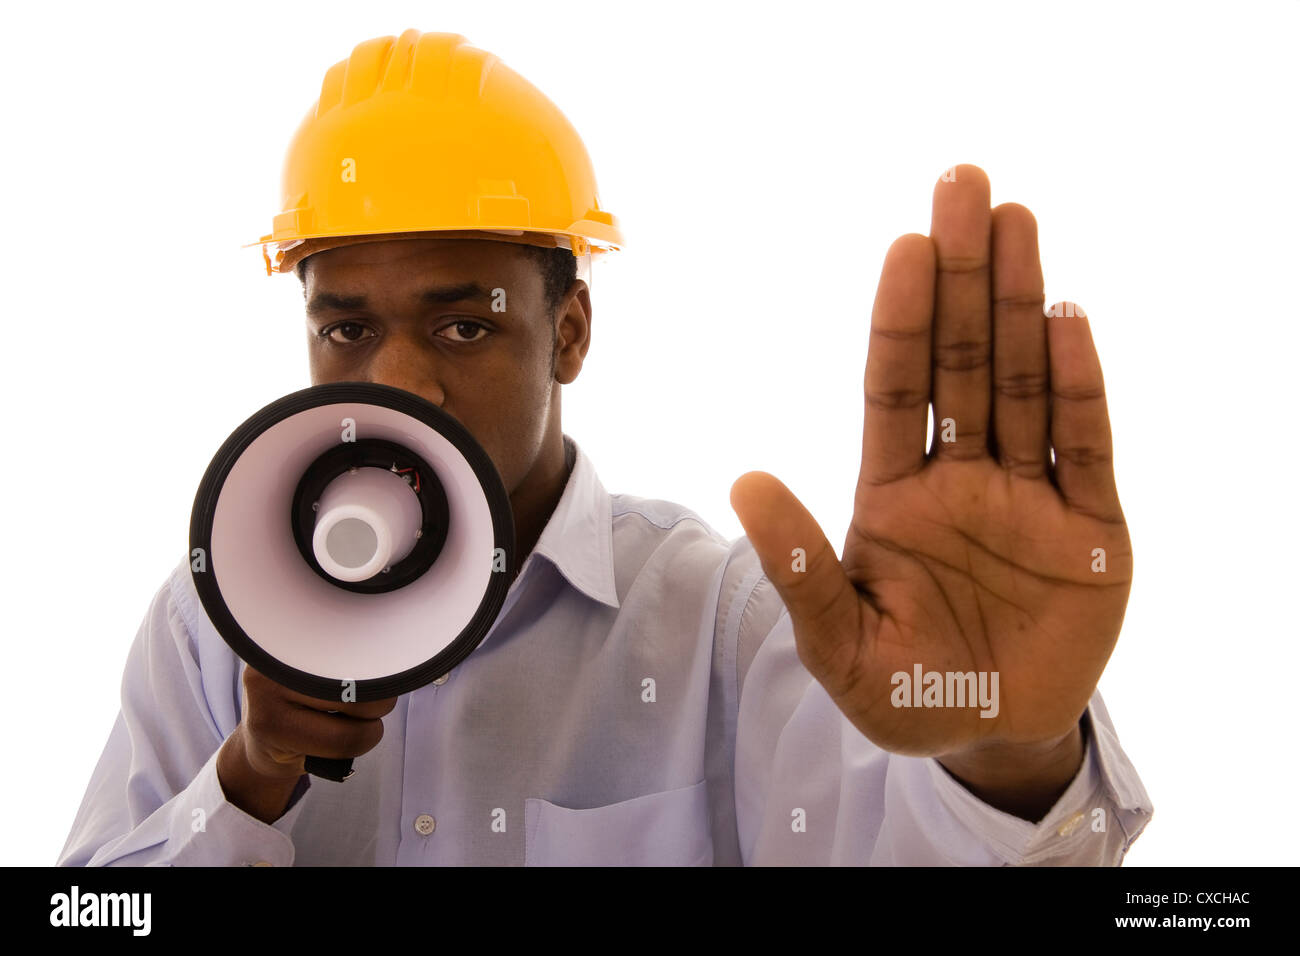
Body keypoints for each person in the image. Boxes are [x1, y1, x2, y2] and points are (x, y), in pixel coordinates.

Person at [58, 30, 1152, 866]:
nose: (397, 382)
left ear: (569, 333)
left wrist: (1008, 751)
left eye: (463, 324)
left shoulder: (717, 624)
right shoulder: (213, 625)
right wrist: (245, 781)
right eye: (347, 327)